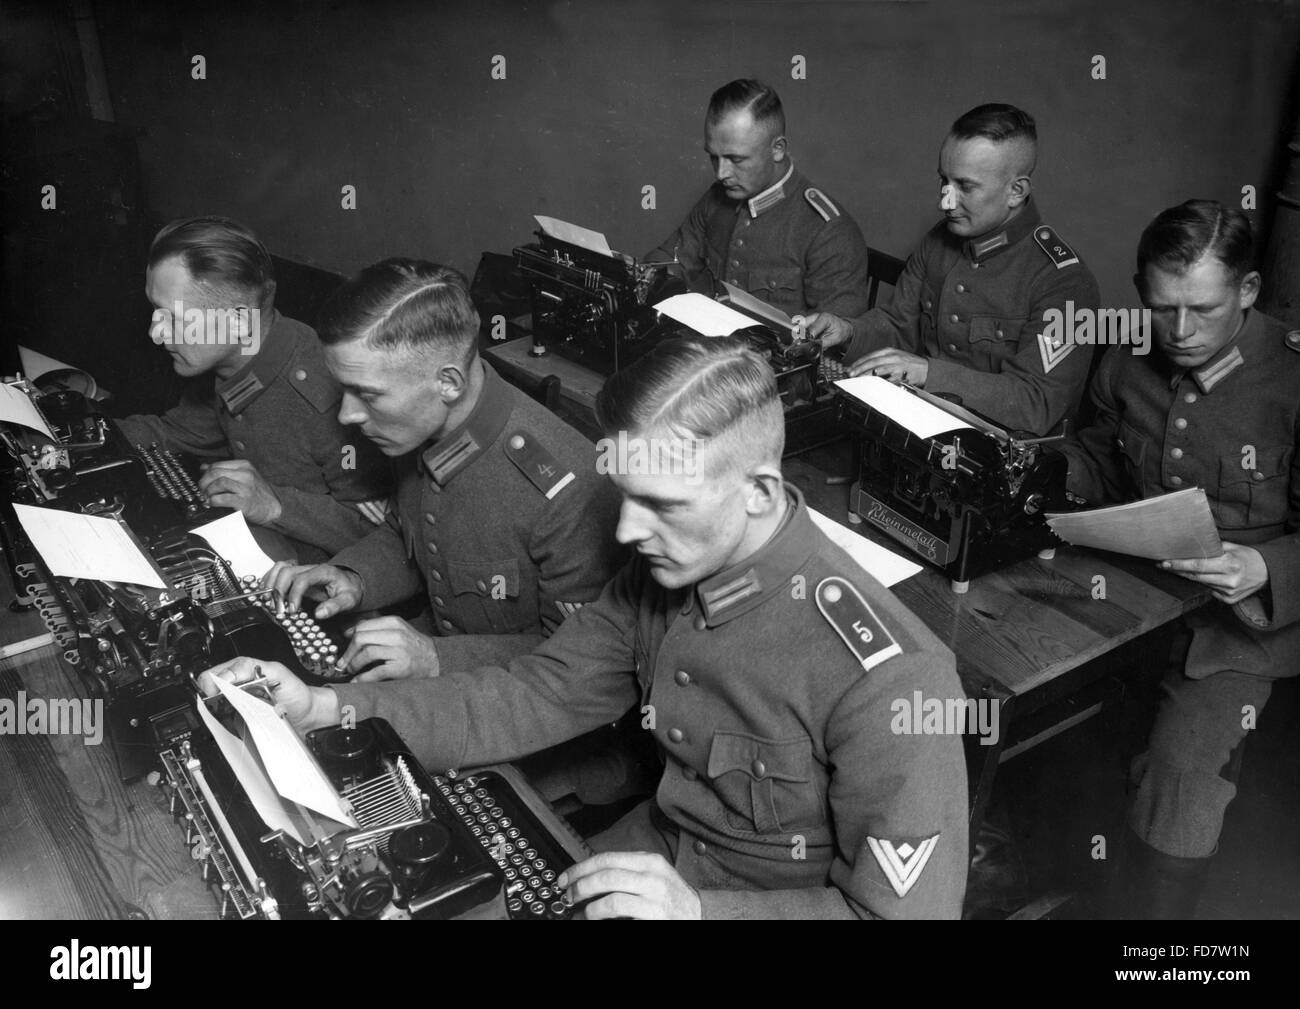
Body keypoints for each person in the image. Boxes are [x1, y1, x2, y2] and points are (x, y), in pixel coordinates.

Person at [209, 335, 970, 919]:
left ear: (760, 491)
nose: (630, 530)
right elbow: (534, 691)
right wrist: (330, 707)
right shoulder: (665, 570)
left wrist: (704, 912)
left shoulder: (895, 675)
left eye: (663, 503)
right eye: (625, 494)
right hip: (646, 859)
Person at [1060, 200, 1300, 918]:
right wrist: (1048, 470)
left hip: (1240, 630)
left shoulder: (1292, 377)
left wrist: (1265, 568)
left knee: (1179, 779)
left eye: (1203, 307)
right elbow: (1099, 456)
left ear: (1249, 292)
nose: (1182, 331)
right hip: (1126, 593)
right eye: (1163, 309)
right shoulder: (1129, 348)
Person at [262, 258, 626, 680]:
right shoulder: (416, 424)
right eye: (343, 389)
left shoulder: (567, 490)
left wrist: (437, 659)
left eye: (367, 395)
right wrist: (356, 577)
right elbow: (415, 537)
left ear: (448, 383)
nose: (347, 415)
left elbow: (579, 661)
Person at [799, 104, 1099, 435]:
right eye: (944, 180)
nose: (945, 201)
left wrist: (930, 373)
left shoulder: (1065, 281)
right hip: (913, 425)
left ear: (1017, 191)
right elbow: (899, 323)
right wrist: (849, 331)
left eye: (965, 187)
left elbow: (1036, 402)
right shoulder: (940, 241)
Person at [116, 216, 388, 562]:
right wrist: (65, 433)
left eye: (174, 318)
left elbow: (381, 534)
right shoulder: (229, 360)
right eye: (155, 312)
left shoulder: (328, 393)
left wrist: (273, 505)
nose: (156, 333)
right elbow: (179, 432)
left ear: (240, 321)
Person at [645, 79, 870, 321]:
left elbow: (831, 341)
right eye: (714, 157)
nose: (721, 174)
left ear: (778, 149)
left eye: (736, 159)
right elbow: (671, 259)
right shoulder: (717, 198)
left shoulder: (829, 231)